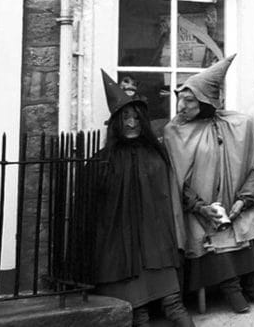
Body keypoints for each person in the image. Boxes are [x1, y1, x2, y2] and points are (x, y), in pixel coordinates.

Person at [162, 54, 254, 314]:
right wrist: (200, 207)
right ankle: (231, 288)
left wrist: (243, 200)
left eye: (189, 100)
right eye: (179, 99)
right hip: (197, 210)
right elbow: (174, 179)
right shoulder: (174, 132)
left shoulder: (240, 123)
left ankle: (251, 282)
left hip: (239, 203)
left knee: (245, 225)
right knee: (212, 234)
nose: (181, 106)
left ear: (206, 101)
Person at [91, 70, 194, 327]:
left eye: (136, 117)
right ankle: (140, 313)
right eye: (125, 117)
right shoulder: (103, 161)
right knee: (139, 316)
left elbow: (171, 192)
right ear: (116, 122)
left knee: (175, 307)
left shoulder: (156, 154)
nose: (131, 123)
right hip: (121, 244)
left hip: (156, 239)